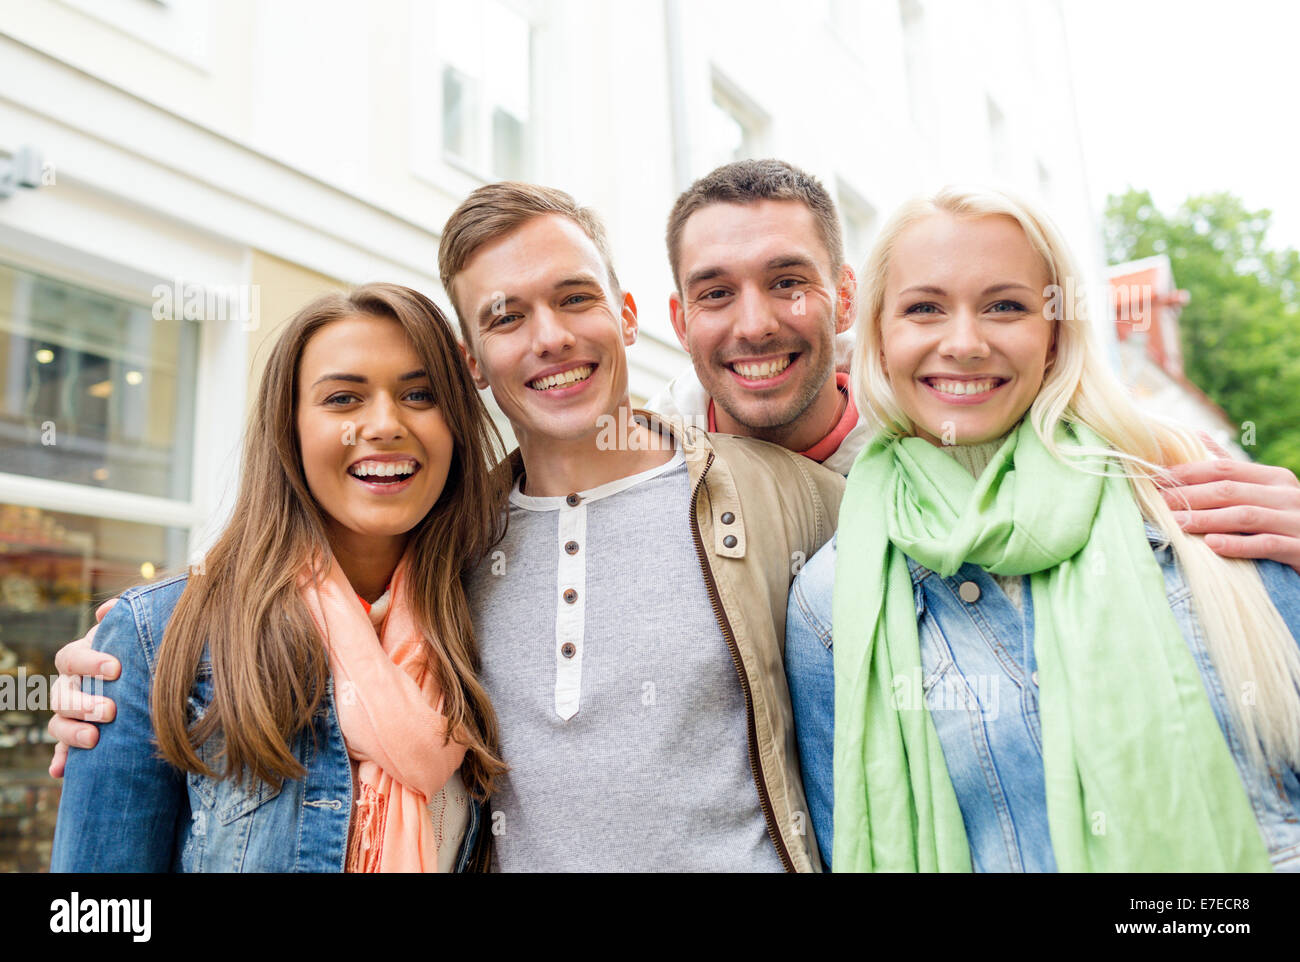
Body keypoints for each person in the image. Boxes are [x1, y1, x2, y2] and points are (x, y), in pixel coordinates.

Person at [49, 183, 846, 872]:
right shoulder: (458, 555)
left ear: (628, 314)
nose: (551, 338)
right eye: (507, 317)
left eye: (576, 298)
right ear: (475, 359)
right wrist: (134, 648)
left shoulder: (786, 500)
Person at [786, 187, 1300, 871]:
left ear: (1054, 330)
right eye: (924, 308)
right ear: (880, 334)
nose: (965, 343)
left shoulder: (1200, 507)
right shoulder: (831, 600)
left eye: (1005, 306)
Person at [649, 158, 1300, 573]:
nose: (756, 324)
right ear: (680, 322)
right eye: (715, 293)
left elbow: (1095, 436)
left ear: (845, 298)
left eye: (788, 281)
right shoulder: (644, 476)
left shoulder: (947, 428)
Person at [50, 284, 508, 872]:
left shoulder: (486, 622)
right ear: (288, 428)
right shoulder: (157, 638)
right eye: (343, 398)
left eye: (420, 394)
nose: (385, 424)